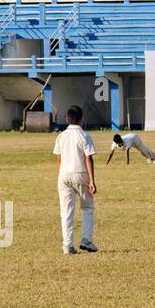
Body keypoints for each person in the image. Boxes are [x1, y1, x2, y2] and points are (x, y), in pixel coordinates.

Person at [53, 105, 98, 254]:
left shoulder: (61, 136)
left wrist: (62, 175)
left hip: (64, 174)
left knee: (66, 211)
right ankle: (86, 239)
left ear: (67, 119)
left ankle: (67, 246)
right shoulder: (84, 136)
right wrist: (92, 181)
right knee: (87, 207)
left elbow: (58, 159)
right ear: (81, 119)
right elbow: (88, 159)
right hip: (80, 173)